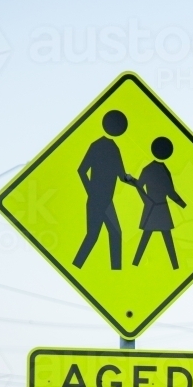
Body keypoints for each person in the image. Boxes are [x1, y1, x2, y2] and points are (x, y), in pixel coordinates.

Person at [73, 109, 132, 271]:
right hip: (98, 201)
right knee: (93, 236)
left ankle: (115, 271)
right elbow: (81, 170)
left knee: (114, 234)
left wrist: (137, 182)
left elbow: (121, 176)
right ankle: (77, 266)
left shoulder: (111, 148)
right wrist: (91, 191)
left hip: (105, 201)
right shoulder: (101, 146)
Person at [128, 136, 186, 269]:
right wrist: (183, 205)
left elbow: (139, 185)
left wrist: (132, 182)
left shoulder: (149, 169)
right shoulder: (161, 170)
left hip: (155, 208)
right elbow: (170, 192)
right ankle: (174, 266)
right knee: (161, 238)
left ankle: (136, 264)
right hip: (158, 208)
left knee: (156, 238)